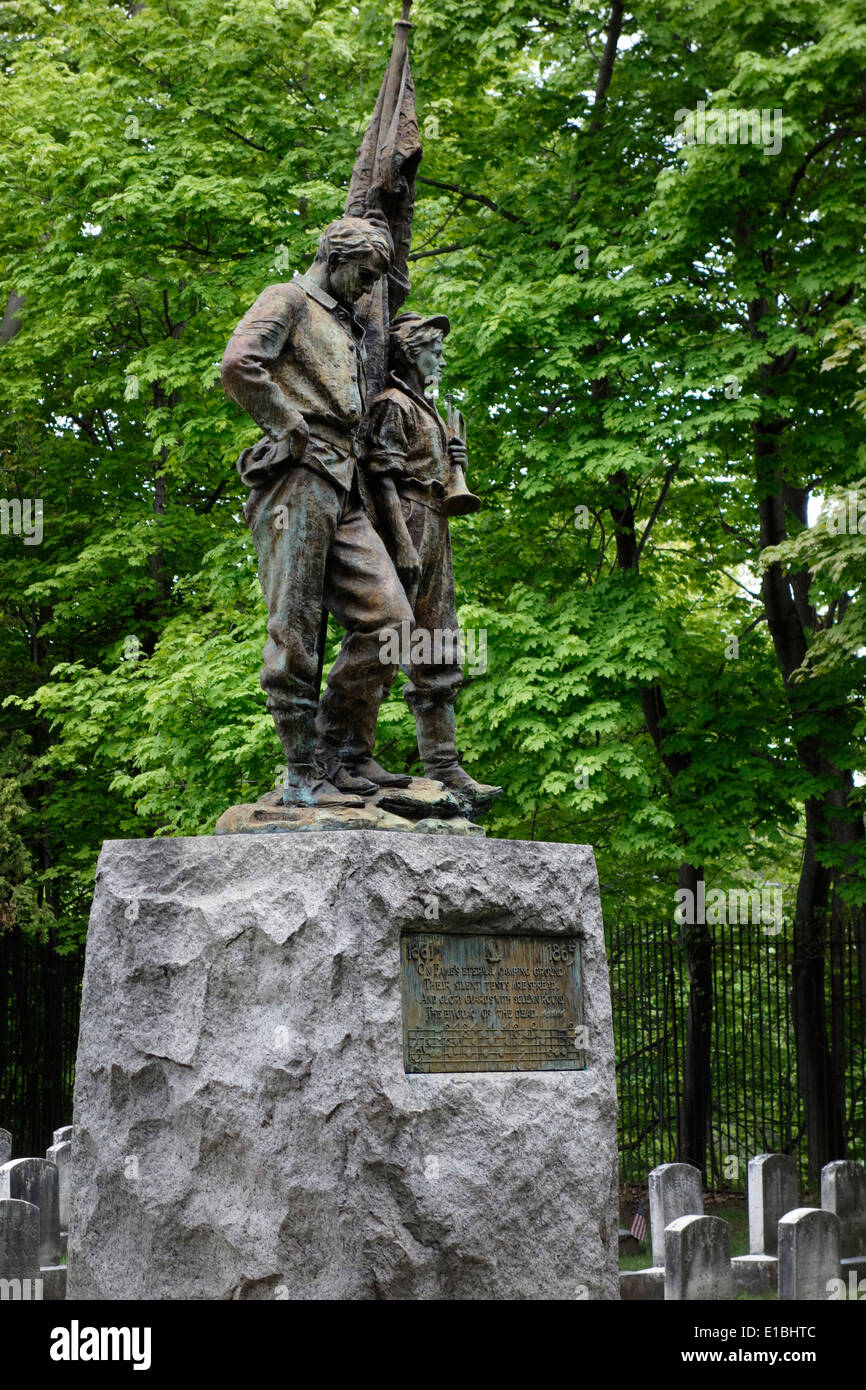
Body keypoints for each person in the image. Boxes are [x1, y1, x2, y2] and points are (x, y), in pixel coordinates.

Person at [220, 214, 413, 807]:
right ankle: (301, 774)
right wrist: (290, 425)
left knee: (393, 623)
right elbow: (239, 364)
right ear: (336, 256)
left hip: (345, 482)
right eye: (365, 273)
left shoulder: (345, 320)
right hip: (298, 480)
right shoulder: (288, 299)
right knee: (294, 629)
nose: (368, 286)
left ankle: (337, 750)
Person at [331, 311, 500, 801]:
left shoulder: (424, 407)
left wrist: (455, 465)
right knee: (388, 640)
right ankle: (349, 752)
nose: (440, 359)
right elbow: (381, 474)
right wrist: (401, 542)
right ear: (410, 351)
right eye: (435, 350)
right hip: (404, 520)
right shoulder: (392, 403)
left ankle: (444, 765)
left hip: (434, 522)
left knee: (437, 642)